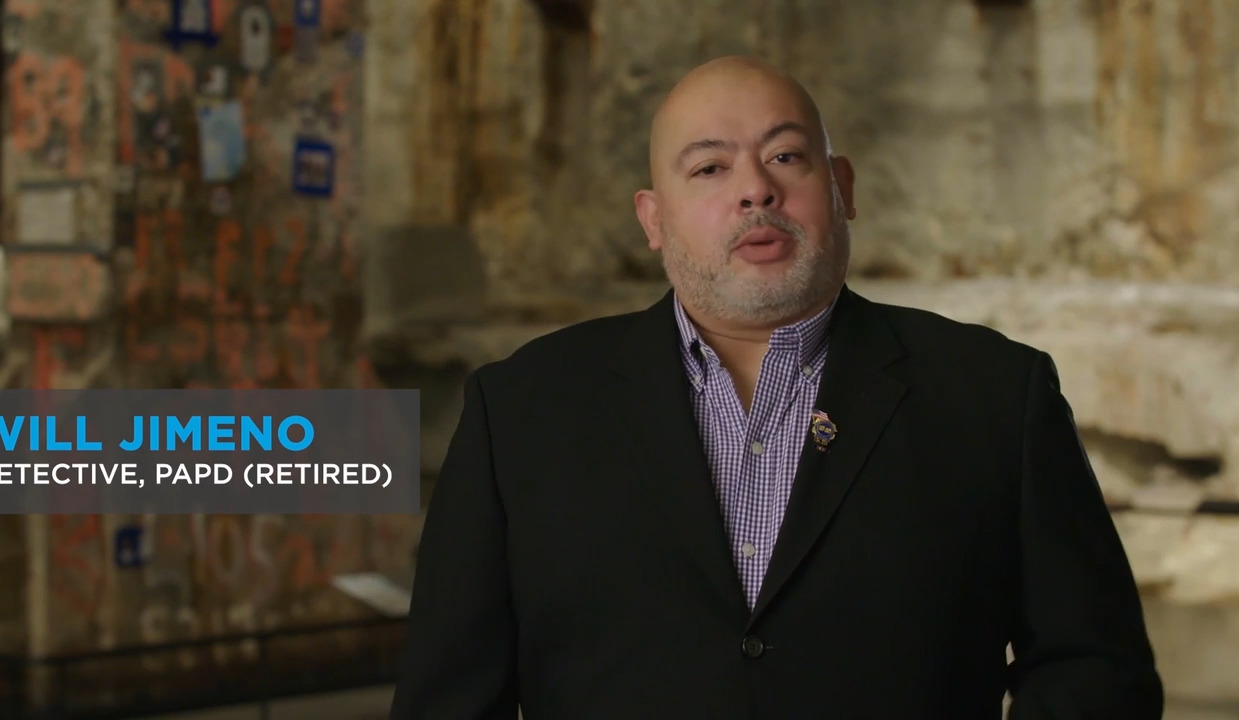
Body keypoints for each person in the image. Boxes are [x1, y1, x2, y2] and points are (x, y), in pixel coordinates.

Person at [389, 55, 1163, 719]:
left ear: (842, 187)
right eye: (709, 168)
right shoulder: (522, 410)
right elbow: (448, 699)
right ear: (653, 219)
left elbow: (1096, 670)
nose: (755, 190)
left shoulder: (995, 394)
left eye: (787, 157)